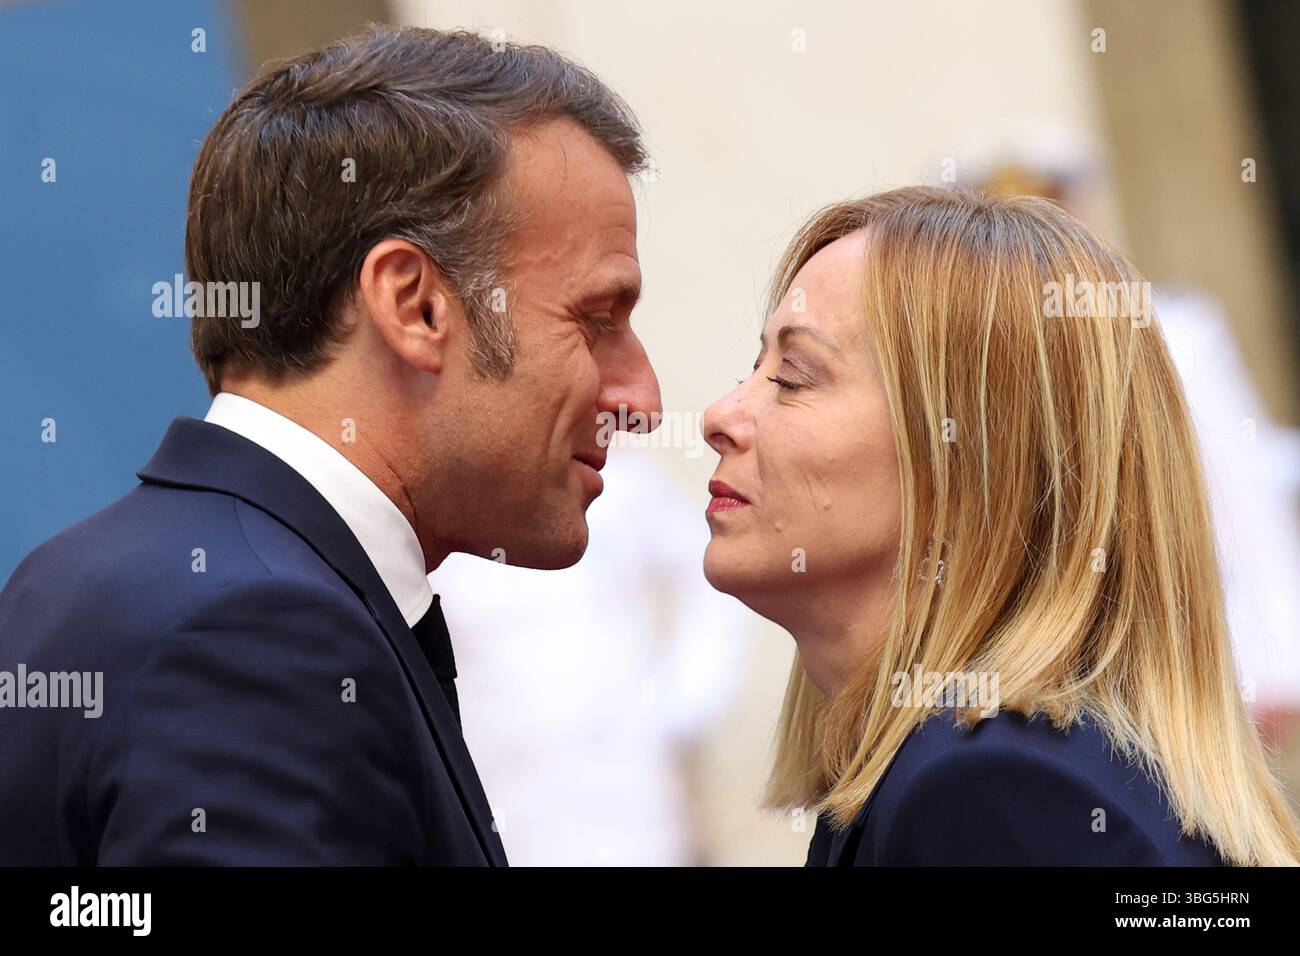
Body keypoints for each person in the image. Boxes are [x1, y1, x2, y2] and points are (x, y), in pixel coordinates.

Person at [0, 25, 660, 865]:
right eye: (596, 319)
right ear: (415, 305)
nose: (641, 401)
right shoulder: (261, 633)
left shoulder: (81, 575)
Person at [700, 186, 1300, 866]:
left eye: (796, 376)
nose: (721, 415)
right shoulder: (984, 774)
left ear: (971, 462)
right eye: (757, 368)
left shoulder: (993, 796)